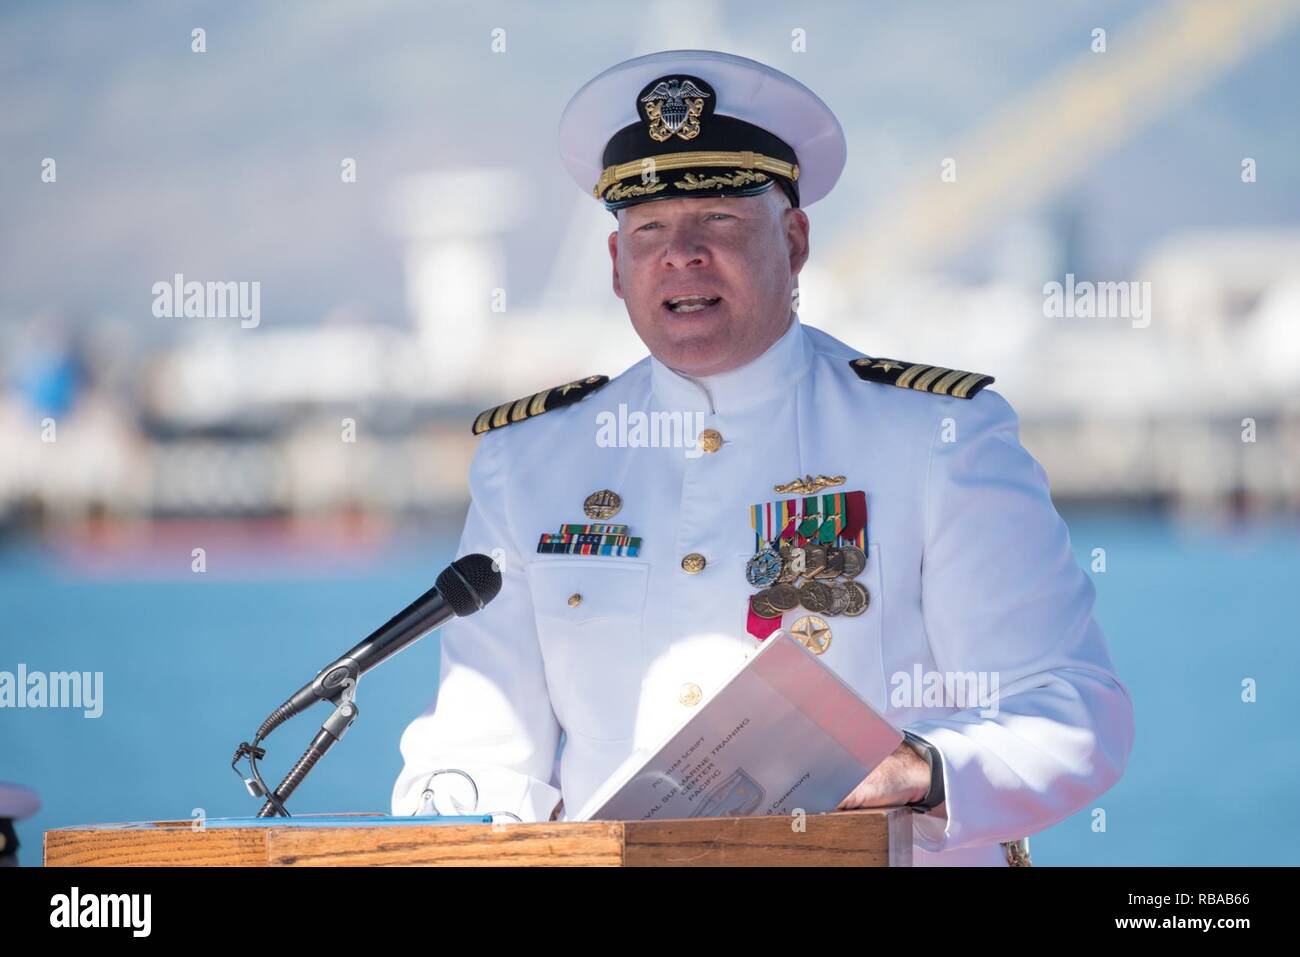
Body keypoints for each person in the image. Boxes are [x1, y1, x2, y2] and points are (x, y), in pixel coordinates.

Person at [391, 49, 1135, 866]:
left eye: (718, 219)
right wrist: (446, 822)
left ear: (796, 239)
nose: (681, 253)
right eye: (648, 230)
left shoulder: (936, 437)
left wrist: (920, 768)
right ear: (614, 266)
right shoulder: (529, 464)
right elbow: (478, 746)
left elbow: (1073, 709)